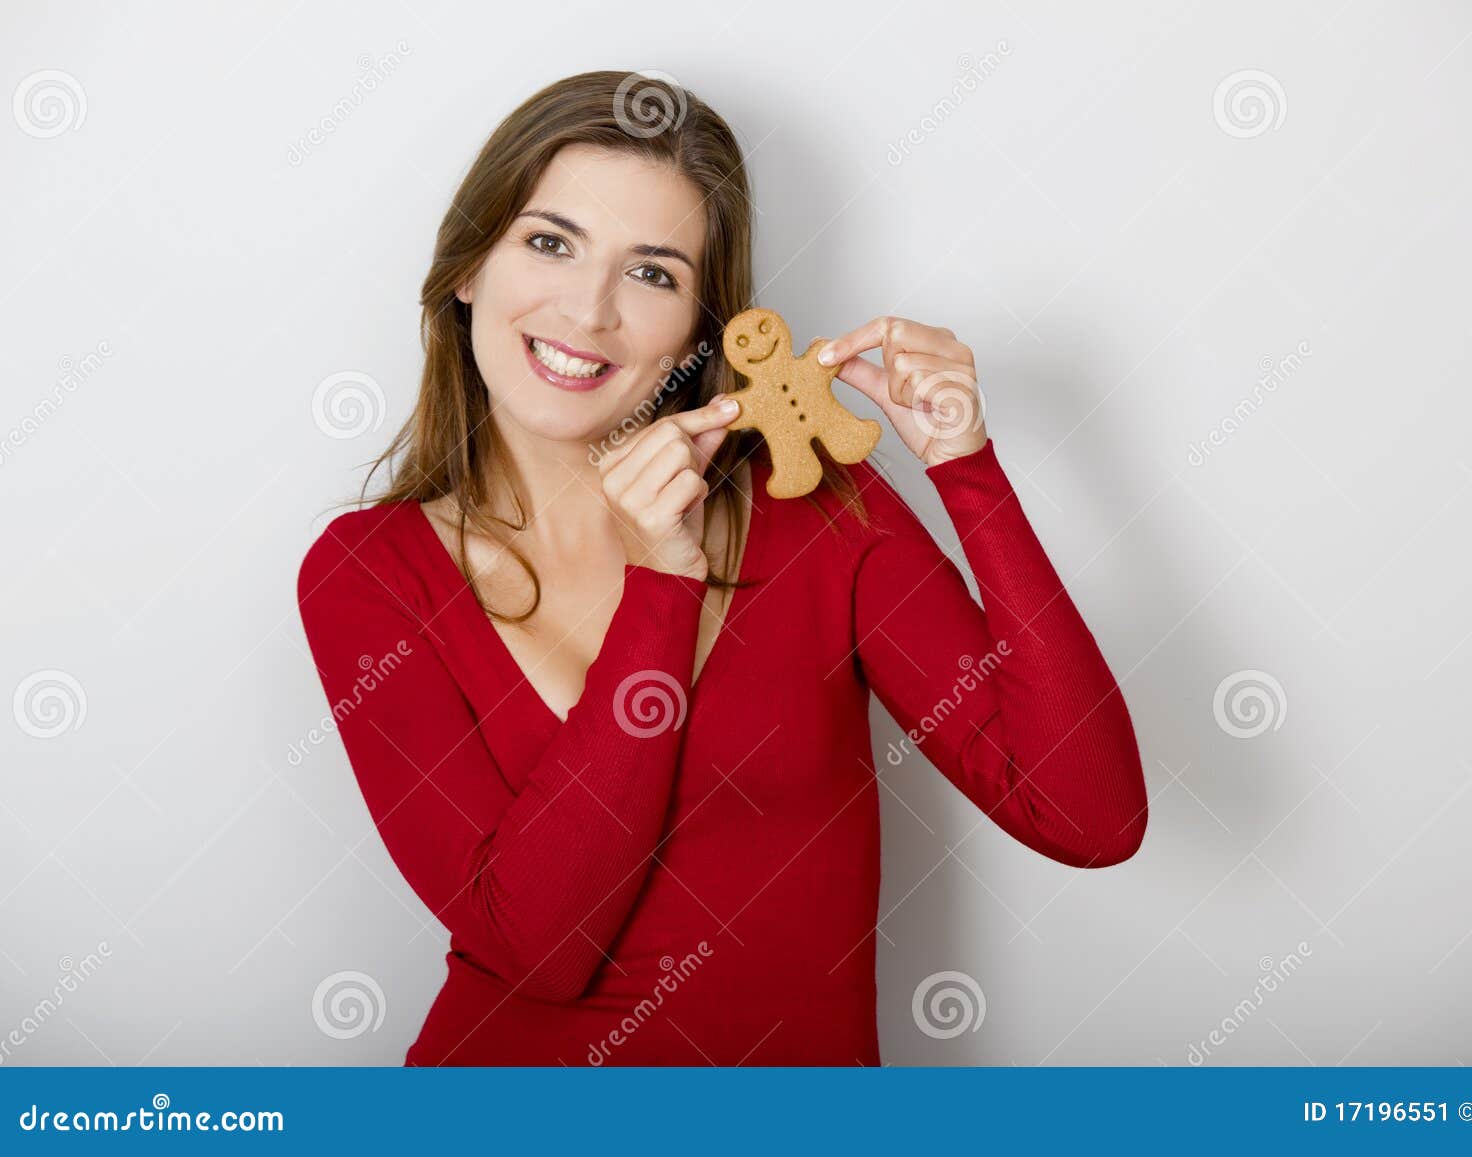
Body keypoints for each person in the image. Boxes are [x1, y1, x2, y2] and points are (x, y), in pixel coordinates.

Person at [296, 69, 1148, 1066]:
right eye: (549, 241)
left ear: (703, 333)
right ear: (469, 266)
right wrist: (662, 583)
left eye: (651, 271)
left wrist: (967, 470)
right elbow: (538, 947)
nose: (588, 310)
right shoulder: (367, 572)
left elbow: (1087, 814)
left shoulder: (818, 508)